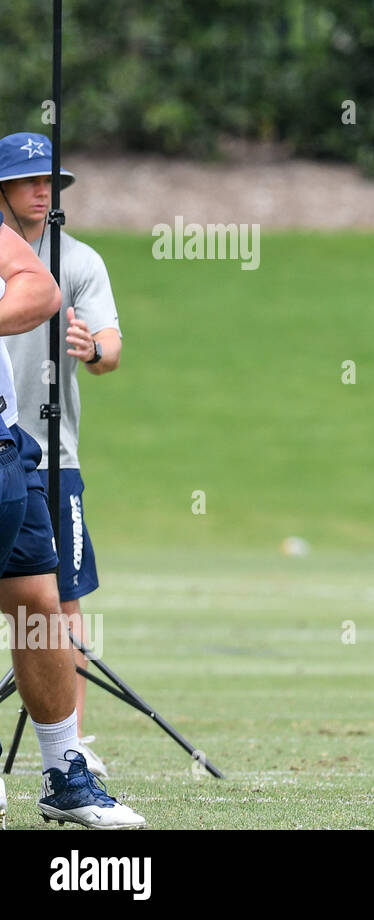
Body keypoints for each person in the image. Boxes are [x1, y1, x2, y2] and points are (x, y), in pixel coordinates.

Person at [0, 214, 142, 830]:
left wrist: (97, 348)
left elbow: (41, 289)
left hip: (14, 447)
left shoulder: (69, 257)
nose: (41, 191)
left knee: (42, 599)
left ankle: (64, 771)